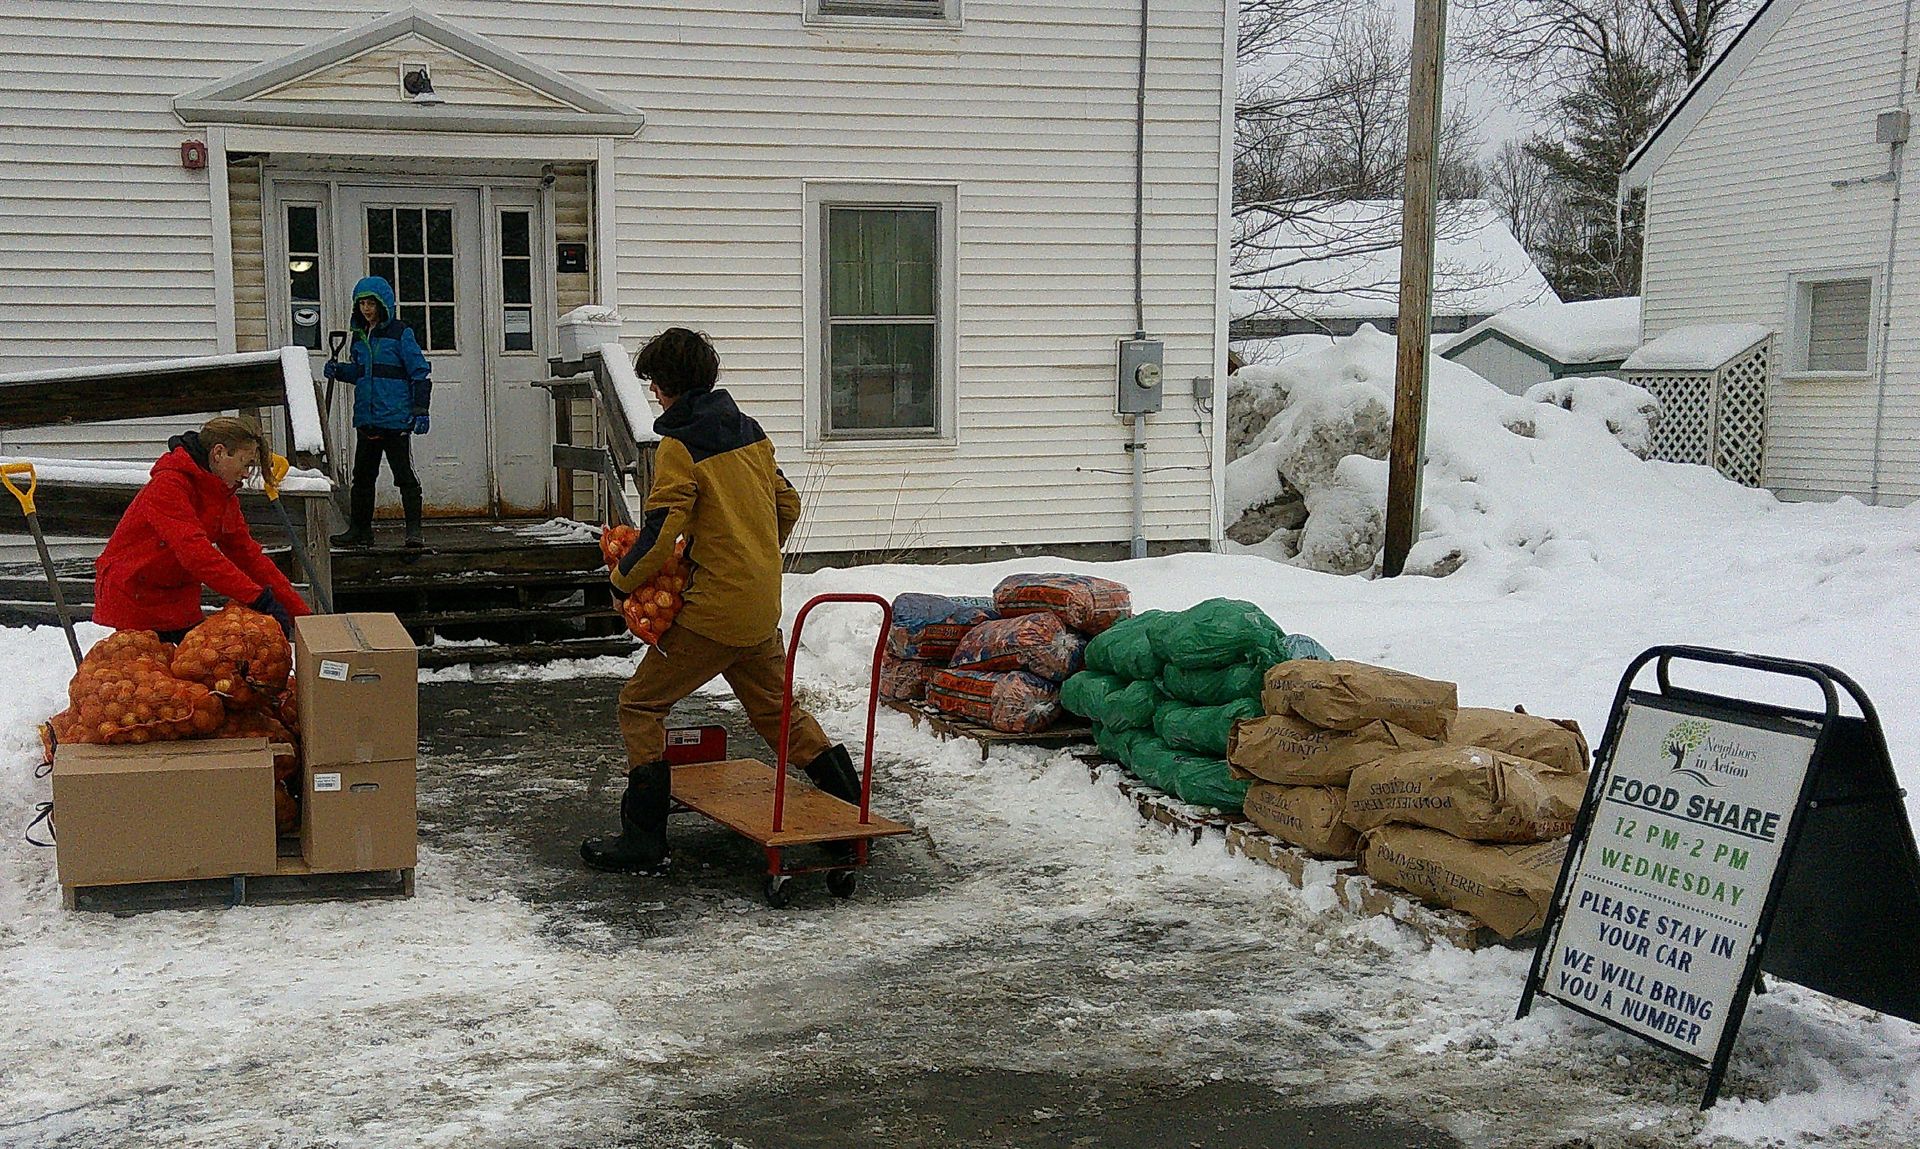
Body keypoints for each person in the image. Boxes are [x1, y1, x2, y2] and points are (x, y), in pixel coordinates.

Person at [581, 328, 862, 874]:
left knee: (639, 705)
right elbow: (787, 504)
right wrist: (750, 554)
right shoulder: (750, 431)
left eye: (655, 386)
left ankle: (644, 840)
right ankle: (849, 817)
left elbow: (661, 531)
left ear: (667, 386)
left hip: (712, 614)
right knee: (778, 714)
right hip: (759, 606)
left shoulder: (679, 445)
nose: (655, 396)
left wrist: (620, 583)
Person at [93, 415, 312, 641]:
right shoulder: (168, 485)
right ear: (218, 453)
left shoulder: (223, 495)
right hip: (134, 600)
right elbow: (196, 554)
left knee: (201, 667)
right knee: (146, 673)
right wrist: (257, 598)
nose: (247, 474)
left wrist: (304, 617)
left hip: (179, 602)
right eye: (245, 463)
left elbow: (248, 557)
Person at [324, 275, 432, 549]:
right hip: (368, 419)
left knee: (403, 475)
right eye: (362, 303)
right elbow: (363, 374)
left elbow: (419, 372)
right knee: (362, 477)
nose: (366, 309)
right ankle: (360, 530)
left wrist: (420, 409)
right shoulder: (360, 337)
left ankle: (414, 531)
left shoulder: (400, 333)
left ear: (384, 304)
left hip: (394, 419)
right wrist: (342, 371)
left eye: (371, 303)